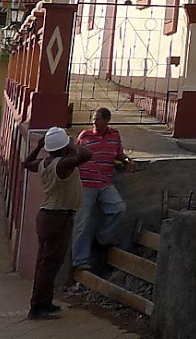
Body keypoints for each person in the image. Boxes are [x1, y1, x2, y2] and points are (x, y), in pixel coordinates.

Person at [23, 126, 94, 320]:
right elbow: (86, 154)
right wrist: (71, 144)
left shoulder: (45, 163)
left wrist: (39, 147)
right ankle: (38, 307)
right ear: (63, 147)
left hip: (47, 216)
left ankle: (43, 302)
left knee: (44, 262)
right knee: (50, 264)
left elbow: (26, 163)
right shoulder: (63, 165)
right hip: (57, 218)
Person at [73, 107, 130, 271]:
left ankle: (103, 239)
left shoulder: (114, 135)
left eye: (97, 118)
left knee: (119, 208)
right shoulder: (85, 136)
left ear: (106, 120)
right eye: (93, 118)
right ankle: (80, 260)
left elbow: (119, 154)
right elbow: (76, 156)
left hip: (105, 182)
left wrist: (127, 160)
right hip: (86, 183)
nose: (94, 121)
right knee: (83, 222)